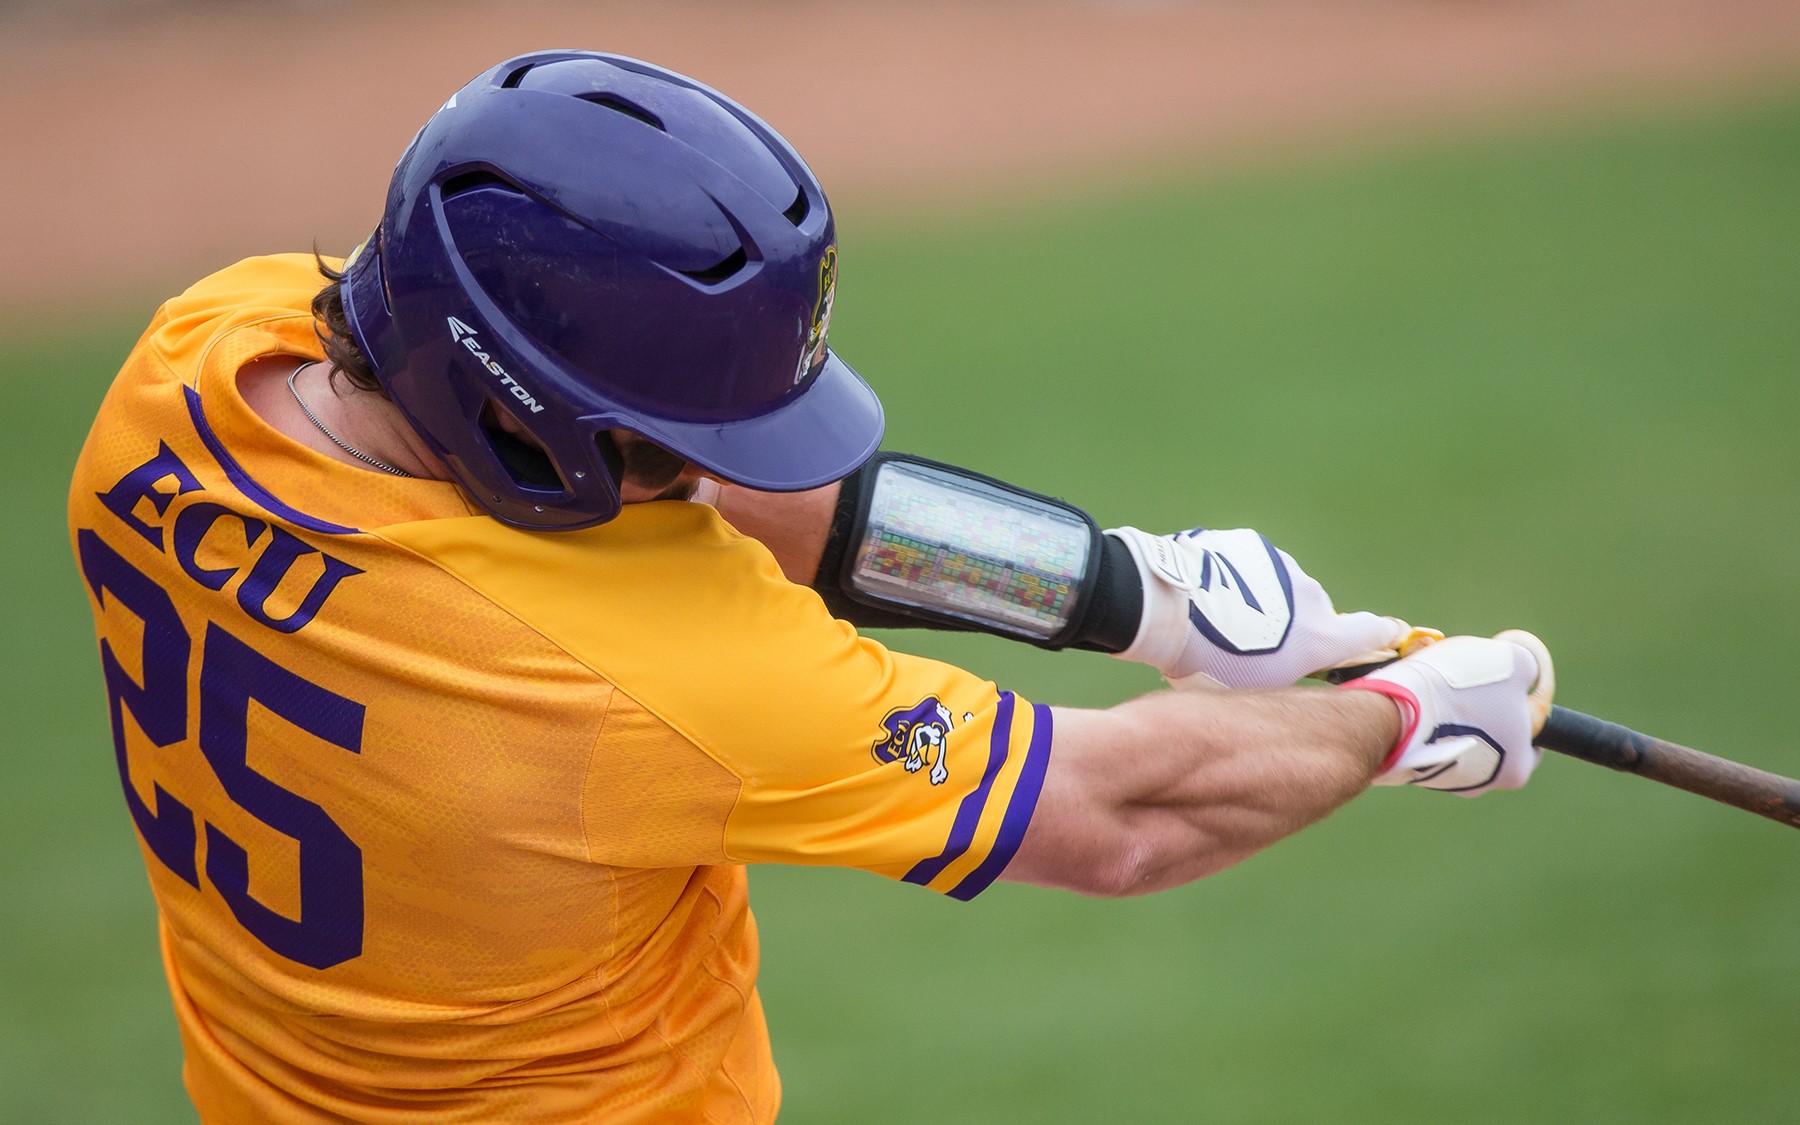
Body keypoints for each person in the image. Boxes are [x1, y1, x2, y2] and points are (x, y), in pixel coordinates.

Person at [68, 50, 1549, 1124]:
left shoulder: (188, 365)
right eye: (661, 439)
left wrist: (1135, 593)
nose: (695, 477)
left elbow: (728, 498)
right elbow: (1126, 815)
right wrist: (1404, 719)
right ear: (510, 406)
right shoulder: (633, 683)